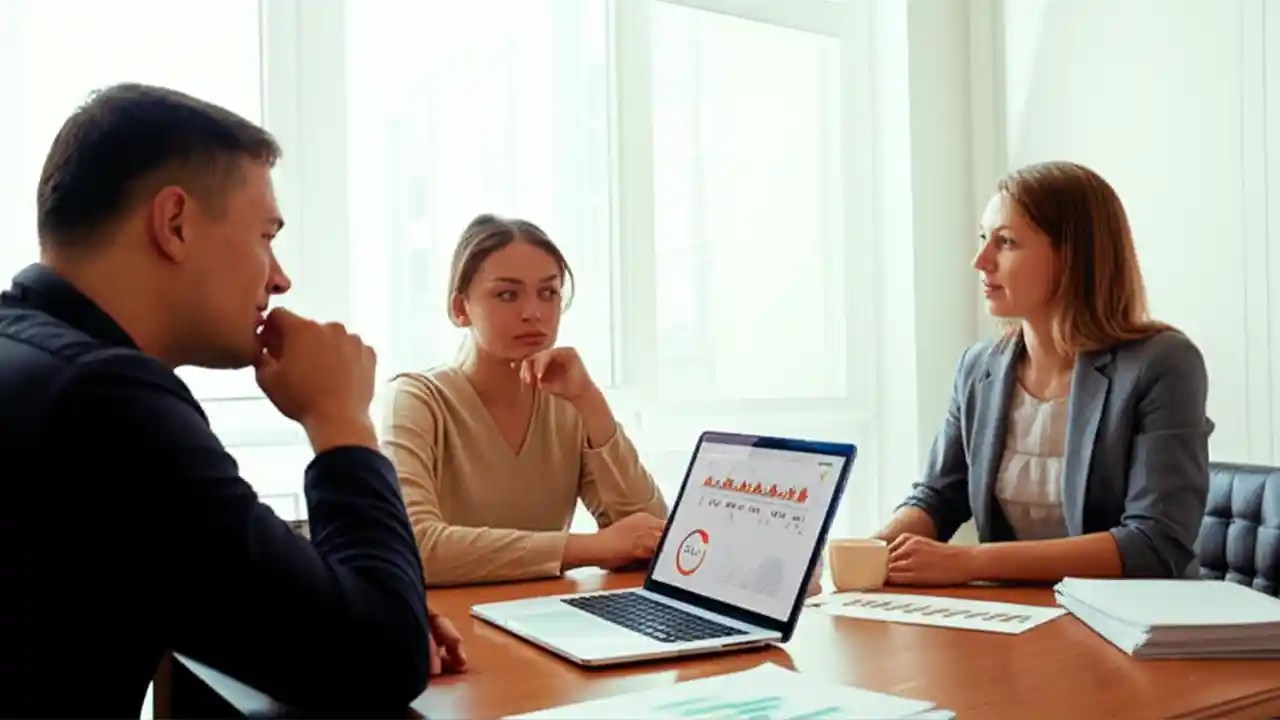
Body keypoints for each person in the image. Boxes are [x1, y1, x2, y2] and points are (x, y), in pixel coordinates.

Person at [0, 83, 461, 716]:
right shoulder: (106, 401)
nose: (279, 277)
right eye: (266, 235)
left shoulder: (32, 358)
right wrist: (341, 419)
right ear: (175, 224)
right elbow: (378, 660)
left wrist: (353, 598)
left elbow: (218, 574)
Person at [877, 160, 1212, 585]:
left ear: (1073, 256)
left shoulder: (1163, 363)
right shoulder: (979, 367)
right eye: (985, 239)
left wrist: (972, 562)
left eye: (1007, 242)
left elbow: (1153, 543)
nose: (981, 261)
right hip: (1021, 619)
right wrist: (869, 551)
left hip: (1137, 629)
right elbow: (939, 497)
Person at [381, 214, 669, 586]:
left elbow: (651, 537)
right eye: (507, 294)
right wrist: (591, 549)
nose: (533, 312)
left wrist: (590, 400)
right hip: (447, 633)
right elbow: (415, 546)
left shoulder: (568, 401)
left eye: (548, 293)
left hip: (543, 623)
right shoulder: (416, 400)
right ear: (459, 308)